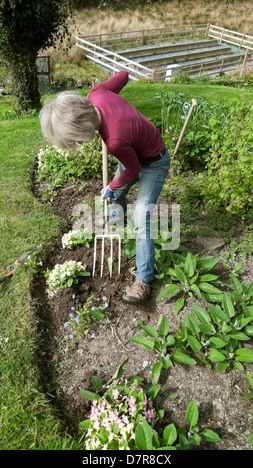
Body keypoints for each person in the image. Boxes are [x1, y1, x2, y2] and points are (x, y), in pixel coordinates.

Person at [39, 71, 170, 305]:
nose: (78, 144)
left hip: (154, 161)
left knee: (142, 215)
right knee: (118, 194)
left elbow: (133, 170)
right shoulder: (96, 93)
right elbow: (123, 75)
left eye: (75, 139)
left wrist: (109, 186)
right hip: (135, 151)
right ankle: (117, 223)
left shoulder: (115, 141)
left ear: (82, 126)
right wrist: (111, 98)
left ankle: (143, 280)